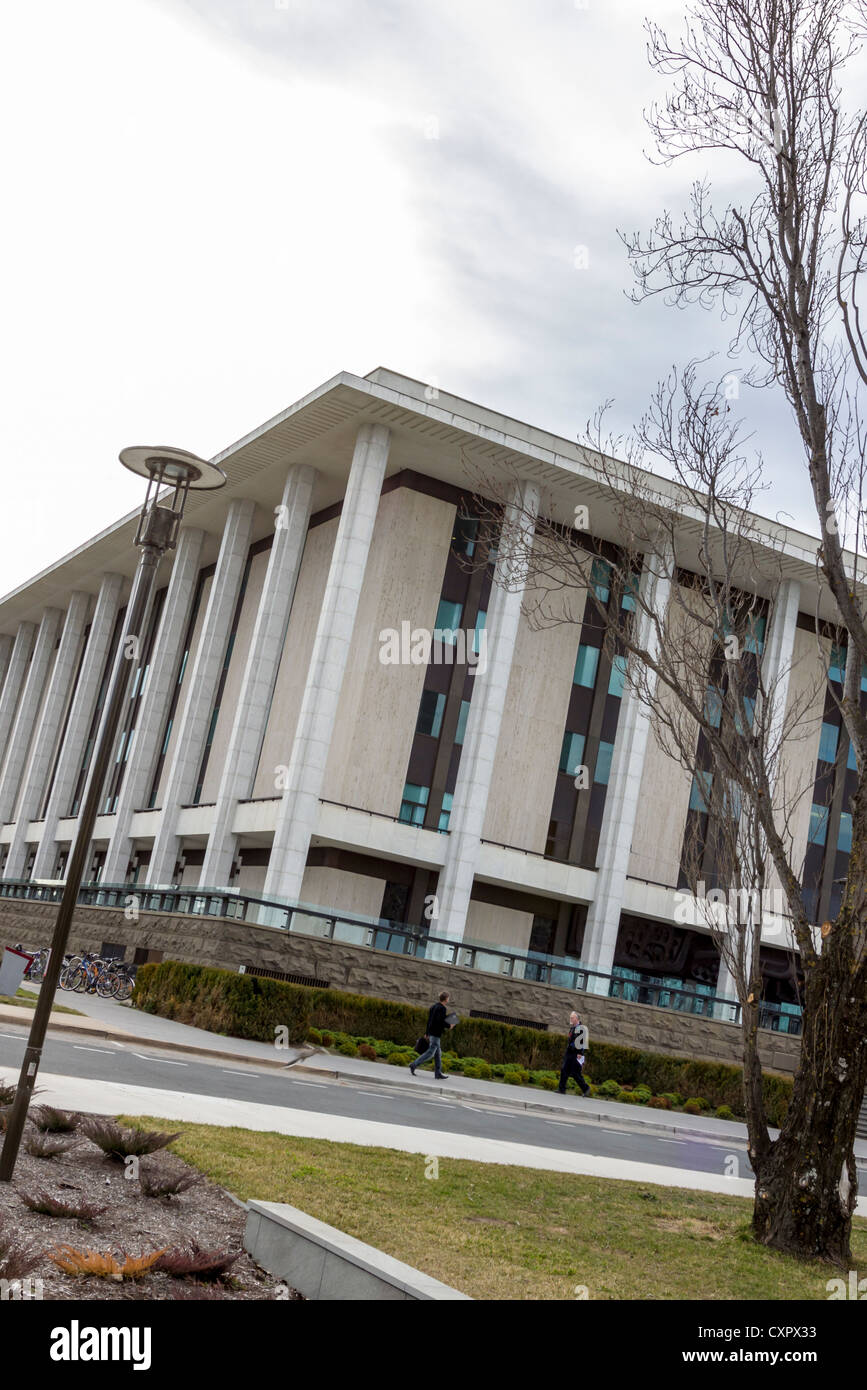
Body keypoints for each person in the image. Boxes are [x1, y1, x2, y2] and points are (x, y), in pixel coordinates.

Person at [411, 991, 452, 1080]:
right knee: (430, 1053)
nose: (449, 999)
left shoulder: (434, 1006)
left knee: (438, 1054)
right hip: (436, 1034)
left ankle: (438, 1073)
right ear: (446, 999)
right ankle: (413, 1064)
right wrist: (449, 1026)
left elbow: (429, 1021)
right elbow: (440, 1021)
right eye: (448, 998)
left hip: (432, 1033)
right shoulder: (442, 1008)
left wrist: (427, 1033)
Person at [558, 1010, 590, 1096]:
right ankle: (561, 1089)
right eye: (570, 1017)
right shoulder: (572, 1028)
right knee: (564, 1070)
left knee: (575, 1073)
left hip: (576, 1054)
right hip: (569, 1052)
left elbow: (583, 1042)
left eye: (572, 1017)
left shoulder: (582, 1028)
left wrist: (580, 1053)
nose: (570, 1019)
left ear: (576, 1018)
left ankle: (586, 1088)